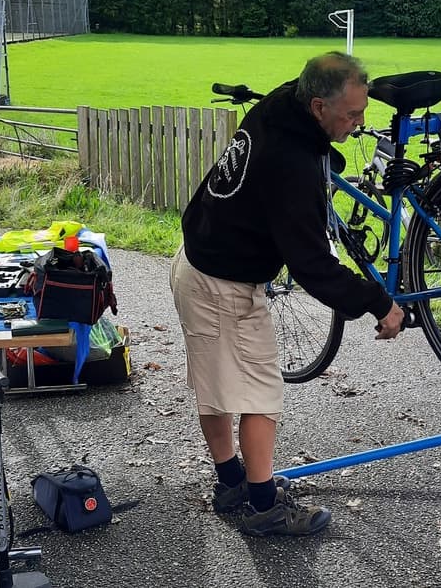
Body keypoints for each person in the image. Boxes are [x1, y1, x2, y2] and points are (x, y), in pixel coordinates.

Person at [169, 52, 404, 537]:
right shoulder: (291, 164)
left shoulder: (282, 102)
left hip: (196, 260)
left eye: (363, 112)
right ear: (318, 106)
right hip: (222, 284)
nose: (359, 124)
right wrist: (378, 302)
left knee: (215, 387)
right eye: (351, 115)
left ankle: (231, 483)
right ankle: (263, 508)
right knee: (261, 394)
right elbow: (313, 266)